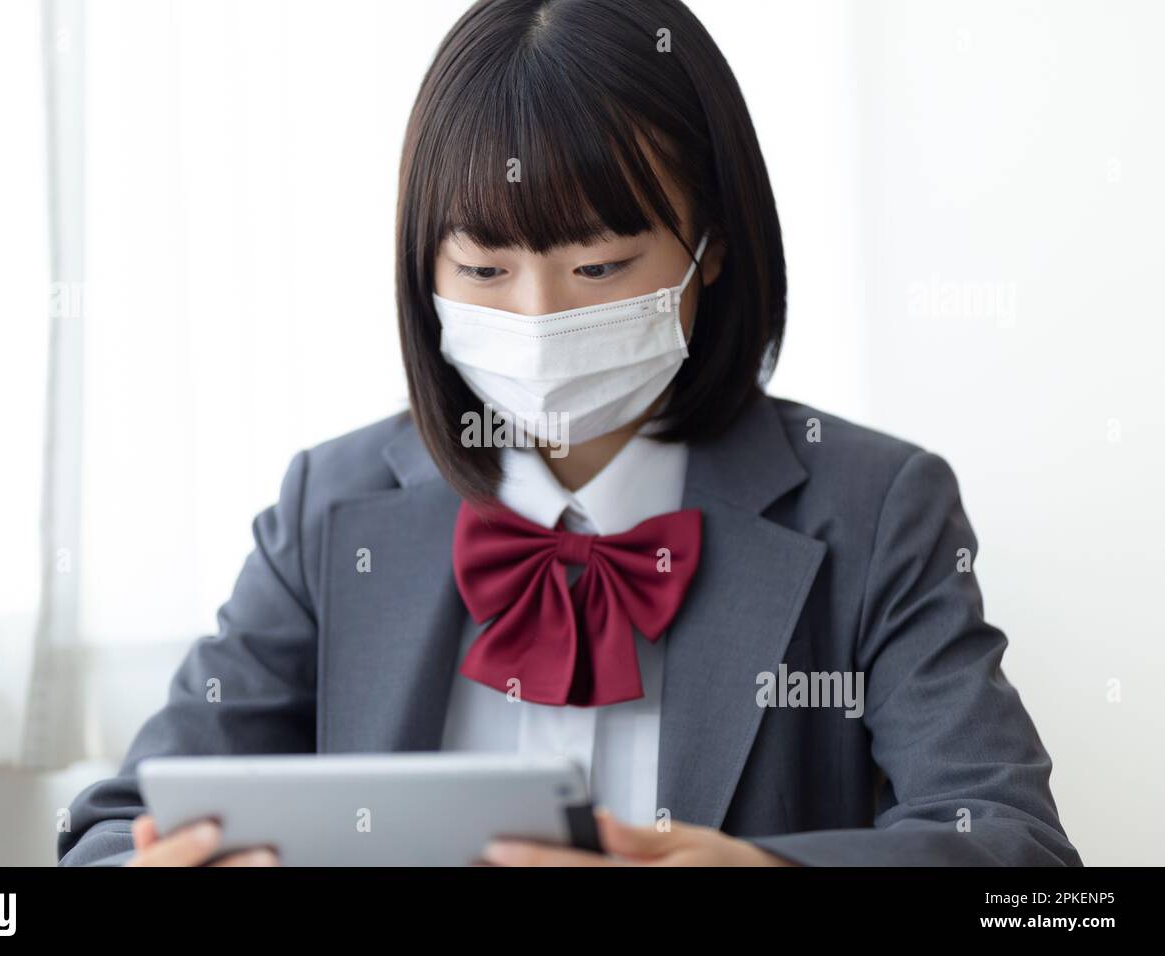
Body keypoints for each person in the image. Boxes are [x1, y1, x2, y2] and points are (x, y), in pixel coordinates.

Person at [59, 0, 1080, 867]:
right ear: (423, 271)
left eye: (597, 269)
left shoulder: (874, 506)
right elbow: (109, 828)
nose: (539, 318)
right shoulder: (331, 507)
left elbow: (1013, 851)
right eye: (483, 271)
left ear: (710, 249)